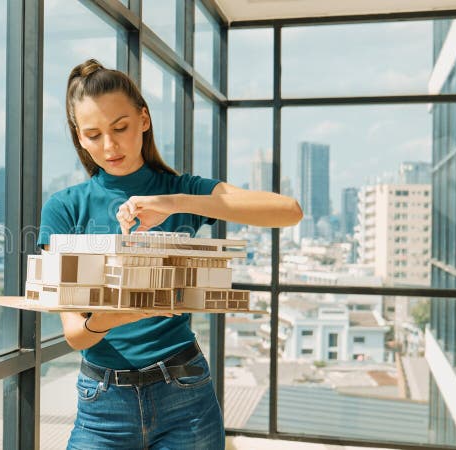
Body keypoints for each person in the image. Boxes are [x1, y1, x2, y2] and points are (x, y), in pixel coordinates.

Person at [37, 59, 302, 450]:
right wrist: (136, 309)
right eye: (92, 135)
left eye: (120, 127)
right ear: (79, 137)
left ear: (144, 119)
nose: (109, 146)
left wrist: (173, 201)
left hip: (185, 392)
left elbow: (289, 211)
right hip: (102, 402)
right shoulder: (64, 208)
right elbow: (76, 334)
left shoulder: (181, 191)